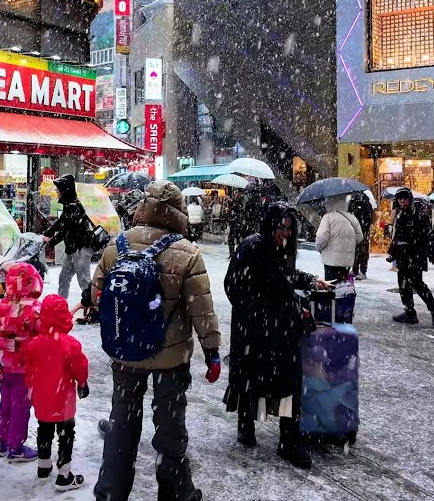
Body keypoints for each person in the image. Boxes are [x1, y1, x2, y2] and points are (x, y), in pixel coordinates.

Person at [91, 181, 222, 501]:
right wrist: (212, 352)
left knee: (122, 423)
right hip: (171, 359)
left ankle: (111, 491)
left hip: (126, 353)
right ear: (178, 211)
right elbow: (200, 309)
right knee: (169, 429)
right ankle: (176, 492)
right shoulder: (187, 253)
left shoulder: (117, 245)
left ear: (143, 206)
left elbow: (98, 298)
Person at [225, 202, 330, 469]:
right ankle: (246, 424)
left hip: (281, 329)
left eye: (289, 229)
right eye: (281, 227)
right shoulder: (252, 247)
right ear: (270, 225)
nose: (285, 233)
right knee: (251, 378)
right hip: (254, 331)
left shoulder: (283, 250)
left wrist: (309, 281)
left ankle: (288, 440)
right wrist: (259, 314)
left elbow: (285, 277)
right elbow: (233, 286)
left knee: (288, 382)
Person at [23, 295, 91, 491]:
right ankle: (64, 475)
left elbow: (29, 368)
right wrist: (82, 382)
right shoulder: (70, 344)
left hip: (41, 396)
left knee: (44, 429)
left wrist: (30, 388)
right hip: (63, 398)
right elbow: (80, 367)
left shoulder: (34, 344)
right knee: (65, 434)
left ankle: (43, 466)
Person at [0, 261, 44, 463]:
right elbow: (42, 334)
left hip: (4, 364)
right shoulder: (36, 309)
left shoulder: (0, 306)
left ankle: (3, 441)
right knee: (21, 406)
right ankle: (16, 446)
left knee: (5, 403)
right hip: (25, 367)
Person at [388, 188, 434, 328]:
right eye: (400, 199)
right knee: (403, 284)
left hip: (416, 255)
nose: (402, 201)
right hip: (404, 256)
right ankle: (410, 311)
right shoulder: (401, 215)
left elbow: (429, 234)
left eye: (405, 198)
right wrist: (393, 252)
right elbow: (397, 237)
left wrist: (432, 251)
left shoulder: (419, 215)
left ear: (410, 199)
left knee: (418, 285)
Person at [46, 174, 95, 300]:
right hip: (73, 248)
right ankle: (60, 306)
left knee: (84, 281)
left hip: (80, 248)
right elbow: (60, 223)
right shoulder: (69, 205)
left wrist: (51, 241)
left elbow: (65, 228)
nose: (56, 192)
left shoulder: (74, 206)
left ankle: (92, 308)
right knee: (64, 278)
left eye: (58, 189)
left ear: (64, 190)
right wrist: (47, 233)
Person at [316, 194, 363, 283]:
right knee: (342, 286)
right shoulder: (351, 217)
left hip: (331, 259)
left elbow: (322, 237)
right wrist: (348, 243)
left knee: (331, 285)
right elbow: (360, 237)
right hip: (347, 260)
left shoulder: (328, 217)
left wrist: (319, 248)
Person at [348, 192, 374, 280]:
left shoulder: (353, 203)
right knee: (362, 252)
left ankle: (357, 270)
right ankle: (361, 271)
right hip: (363, 231)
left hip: (356, 231)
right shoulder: (366, 204)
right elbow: (370, 218)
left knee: (357, 251)